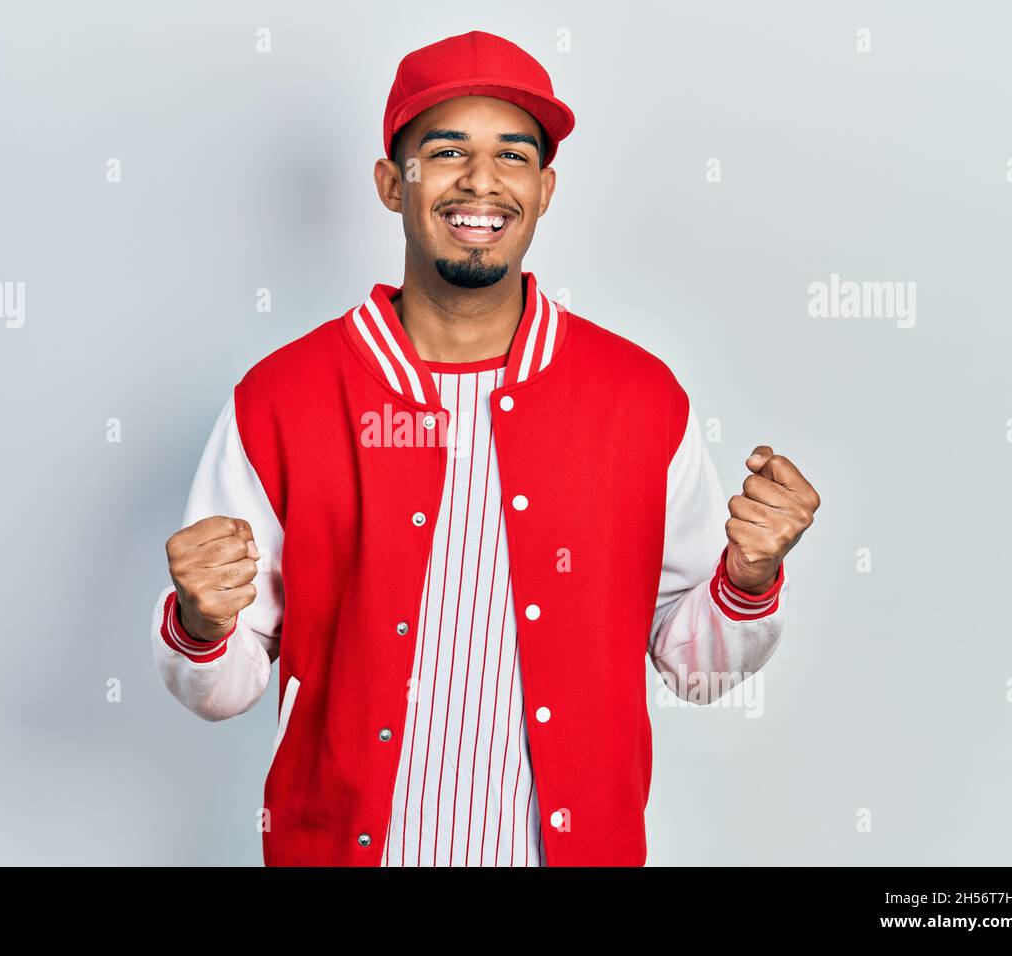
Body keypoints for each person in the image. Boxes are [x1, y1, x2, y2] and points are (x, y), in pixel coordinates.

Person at [152, 30, 821, 867]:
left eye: (512, 154)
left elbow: (697, 672)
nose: (481, 180)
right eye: (447, 151)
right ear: (393, 183)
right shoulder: (281, 400)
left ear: (544, 190)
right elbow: (226, 687)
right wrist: (202, 620)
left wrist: (748, 582)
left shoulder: (640, 400)